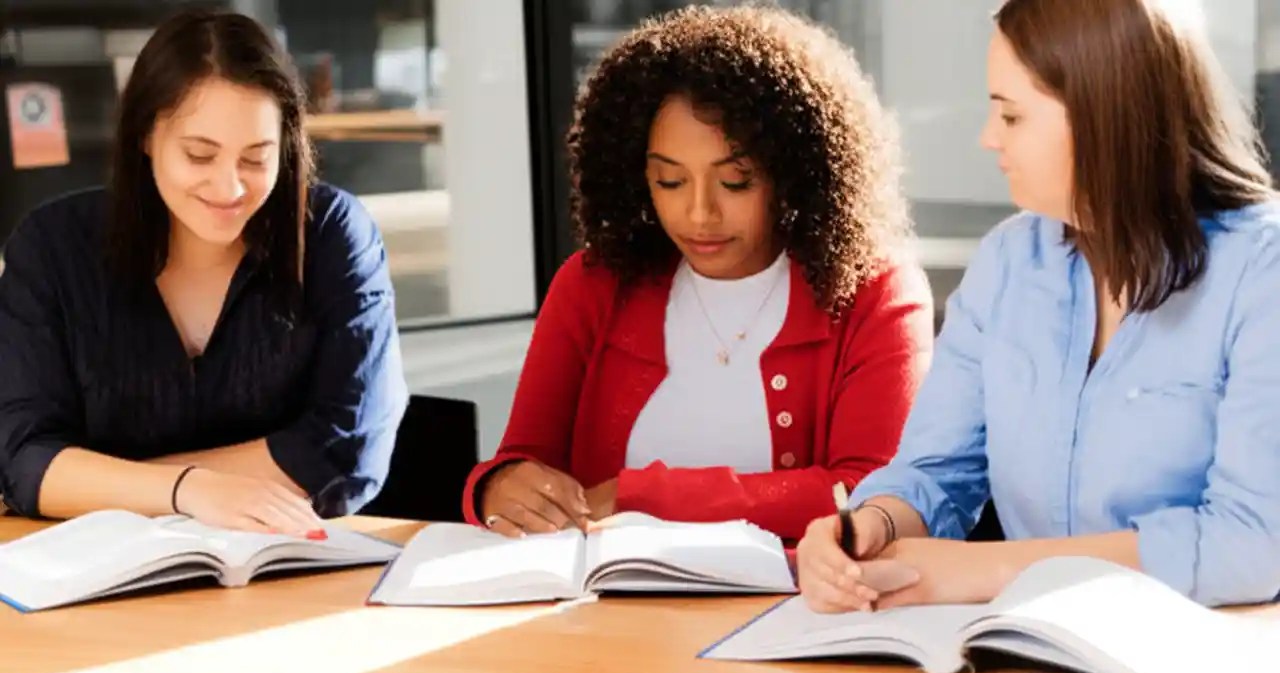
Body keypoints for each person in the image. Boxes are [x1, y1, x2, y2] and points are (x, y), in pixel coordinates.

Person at [797, 0, 1280, 611]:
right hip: (1030, 654)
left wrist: (984, 571)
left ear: (1108, 117)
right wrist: (869, 529)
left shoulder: (1263, 268)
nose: (989, 137)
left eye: (1012, 115)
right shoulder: (1009, 261)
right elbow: (934, 471)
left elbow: (1251, 545)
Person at [463, 6, 933, 541]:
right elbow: (522, 461)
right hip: (602, 612)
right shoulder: (592, 284)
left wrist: (643, 495)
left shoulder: (875, 291)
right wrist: (498, 486)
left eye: (735, 182)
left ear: (795, 173)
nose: (699, 214)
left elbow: (867, 493)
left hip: (799, 613)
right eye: (669, 182)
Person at [0, 10, 407, 535]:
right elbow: (24, 457)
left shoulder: (332, 233)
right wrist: (190, 490)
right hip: (93, 583)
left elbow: (347, 450)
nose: (230, 187)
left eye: (257, 159)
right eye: (199, 155)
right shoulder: (53, 246)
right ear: (145, 136)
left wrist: (88, 486)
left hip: (286, 568)